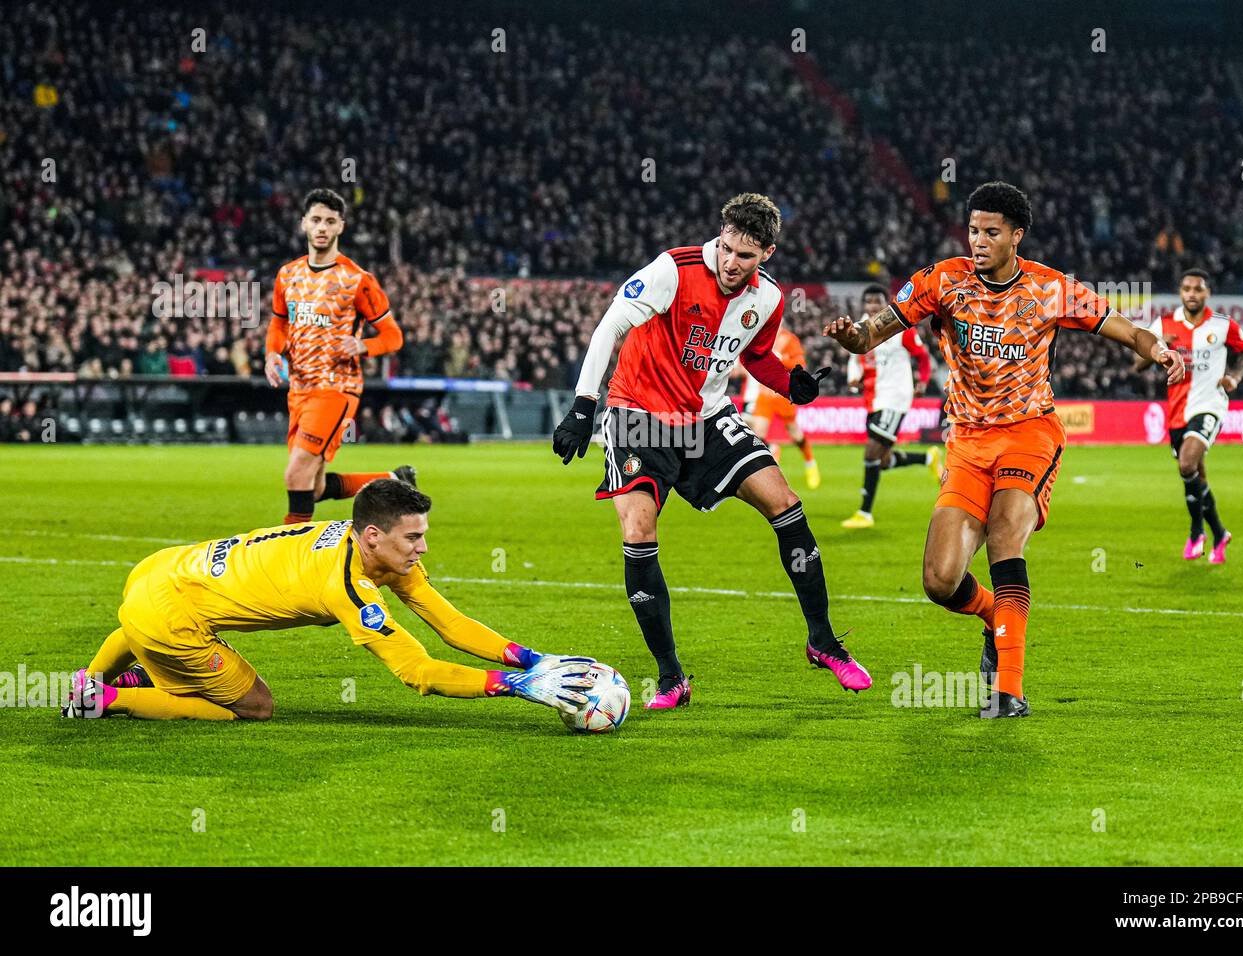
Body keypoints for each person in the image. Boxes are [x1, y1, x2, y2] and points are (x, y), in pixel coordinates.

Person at [825, 181, 1184, 718]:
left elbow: (1127, 329)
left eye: (991, 232)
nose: (978, 241)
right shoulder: (943, 280)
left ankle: (1008, 690)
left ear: (1016, 236)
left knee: (1004, 535)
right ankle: (996, 618)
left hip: (1029, 433)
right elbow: (875, 331)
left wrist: (1157, 350)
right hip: (967, 442)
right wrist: (853, 338)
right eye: (973, 230)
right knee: (939, 580)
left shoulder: (1051, 289)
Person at [553, 193, 871, 709]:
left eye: (744, 255)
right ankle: (671, 676)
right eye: (725, 248)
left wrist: (793, 386)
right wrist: (583, 407)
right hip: (641, 416)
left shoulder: (767, 298)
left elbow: (759, 357)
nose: (730, 262)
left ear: (766, 253)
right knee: (638, 530)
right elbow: (610, 325)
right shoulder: (672, 270)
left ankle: (823, 641)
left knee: (785, 504)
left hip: (707, 417)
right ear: (719, 235)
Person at [63, 479, 596, 720]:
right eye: (413, 538)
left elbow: (448, 623)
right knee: (251, 708)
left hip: (162, 568)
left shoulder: (381, 552)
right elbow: (418, 672)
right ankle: (105, 699)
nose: (423, 547)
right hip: (167, 616)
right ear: (373, 537)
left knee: (150, 625)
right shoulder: (347, 585)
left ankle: (95, 675)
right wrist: (515, 686)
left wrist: (533, 660)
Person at [265, 188, 412, 524]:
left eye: (330, 221)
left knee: (295, 475)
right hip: (298, 389)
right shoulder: (288, 275)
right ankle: (394, 481)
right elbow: (278, 323)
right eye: (316, 219)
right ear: (303, 223)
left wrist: (364, 346)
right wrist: (272, 354)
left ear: (340, 227)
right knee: (311, 487)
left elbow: (394, 336)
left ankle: (293, 557)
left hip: (335, 388)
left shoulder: (357, 280)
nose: (322, 227)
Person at [1133, 268, 1243, 563]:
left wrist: (1234, 377)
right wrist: (1157, 348)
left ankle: (1197, 531)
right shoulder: (1164, 324)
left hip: (1210, 403)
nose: (1192, 294)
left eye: (1198, 289)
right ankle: (1219, 532)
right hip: (1177, 411)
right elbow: (1137, 364)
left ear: (1207, 293)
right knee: (1195, 474)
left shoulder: (1222, 325)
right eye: (1187, 288)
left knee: (1187, 462)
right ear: (1180, 292)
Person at [842, 282, 941, 529]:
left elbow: (922, 356)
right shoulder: (859, 328)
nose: (873, 305)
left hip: (896, 396)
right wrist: (853, 378)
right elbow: (855, 359)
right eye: (869, 302)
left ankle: (864, 513)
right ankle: (927, 458)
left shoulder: (900, 328)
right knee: (883, 461)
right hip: (872, 399)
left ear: (886, 303)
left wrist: (923, 381)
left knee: (871, 452)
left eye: (877, 301)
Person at [740, 325, 821, 489]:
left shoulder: (789, 339)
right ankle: (768, 470)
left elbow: (800, 364)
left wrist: (780, 358)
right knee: (758, 435)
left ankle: (810, 462)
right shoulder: (760, 336)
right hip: (764, 393)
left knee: (795, 434)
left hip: (784, 393)